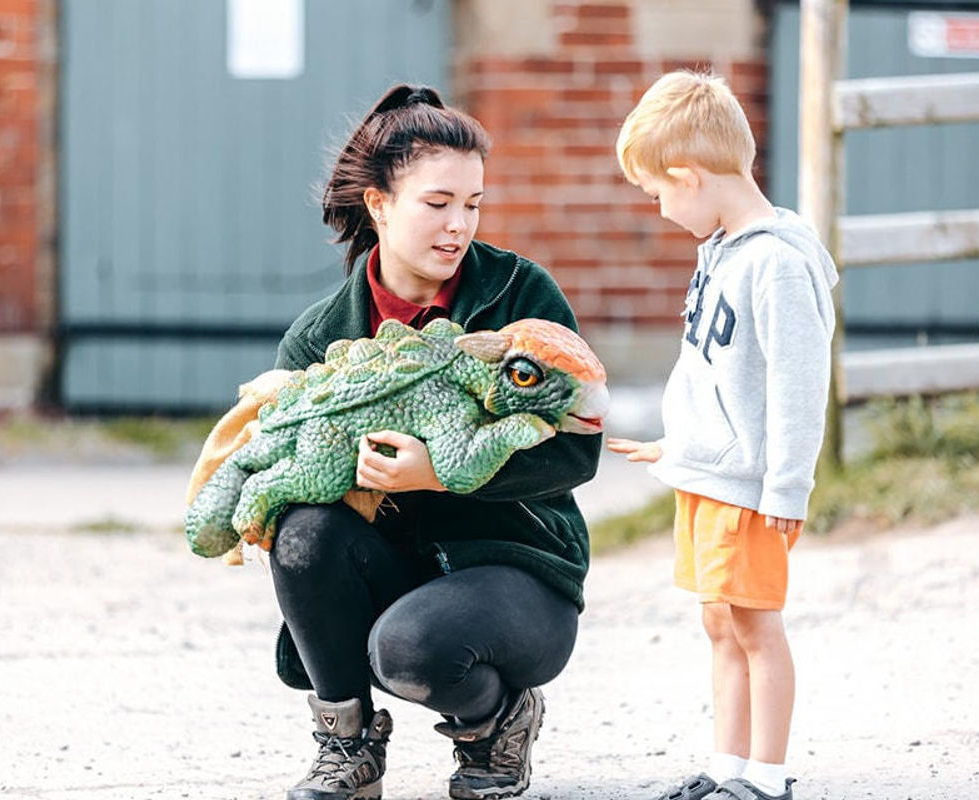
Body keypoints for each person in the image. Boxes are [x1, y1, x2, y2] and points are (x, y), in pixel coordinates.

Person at [267, 84, 602, 800]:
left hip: (515, 571)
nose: (459, 226)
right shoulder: (321, 338)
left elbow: (579, 450)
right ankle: (345, 742)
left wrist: (442, 475)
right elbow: (277, 464)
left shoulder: (521, 297)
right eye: (438, 203)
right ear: (380, 204)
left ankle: (498, 725)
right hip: (394, 568)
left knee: (410, 650)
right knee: (299, 532)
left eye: (473, 205)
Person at [608, 71, 838, 800]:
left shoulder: (775, 263)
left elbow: (798, 388)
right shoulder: (721, 249)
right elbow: (708, 368)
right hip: (707, 476)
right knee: (719, 622)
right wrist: (675, 447)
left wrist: (787, 485)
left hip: (750, 487)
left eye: (658, 196)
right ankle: (727, 767)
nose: (660, 209)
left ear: (689, 176)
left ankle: (767, 779)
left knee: (754, 626)